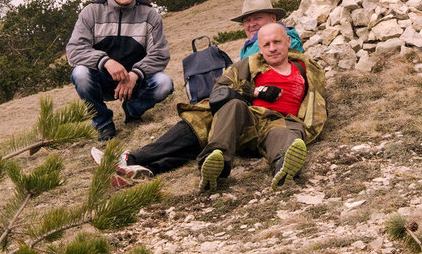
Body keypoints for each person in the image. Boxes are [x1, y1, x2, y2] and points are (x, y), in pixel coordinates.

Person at [98, 22, 326, 190]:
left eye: (277, 42)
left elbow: (316, 104)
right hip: (245, 122)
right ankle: (215, 161)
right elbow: (220, 91)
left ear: (288, 41)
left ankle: (284, 169)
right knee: (216, 115)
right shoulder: (247, 65)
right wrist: (254, 91)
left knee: (288, 132)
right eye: (266, 44)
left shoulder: (306, 69)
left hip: (278, 122)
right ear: (259, 47)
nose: (272, 48)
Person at [67, 0, 173, 141]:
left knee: (164, 83)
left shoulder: (149, 14)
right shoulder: (91, 12)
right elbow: (74, 50)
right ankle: (103, 123)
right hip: (102, 78)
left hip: (136, 80)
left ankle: (133, 109)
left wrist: (135, 75)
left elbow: (160, 54)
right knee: (80, 73)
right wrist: (105, 62)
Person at [232, 0, 304, 58]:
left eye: (257, 18)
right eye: (247, 20)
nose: (252, 24)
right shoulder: (248, 46)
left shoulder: (286, 40)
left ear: (273, 18)